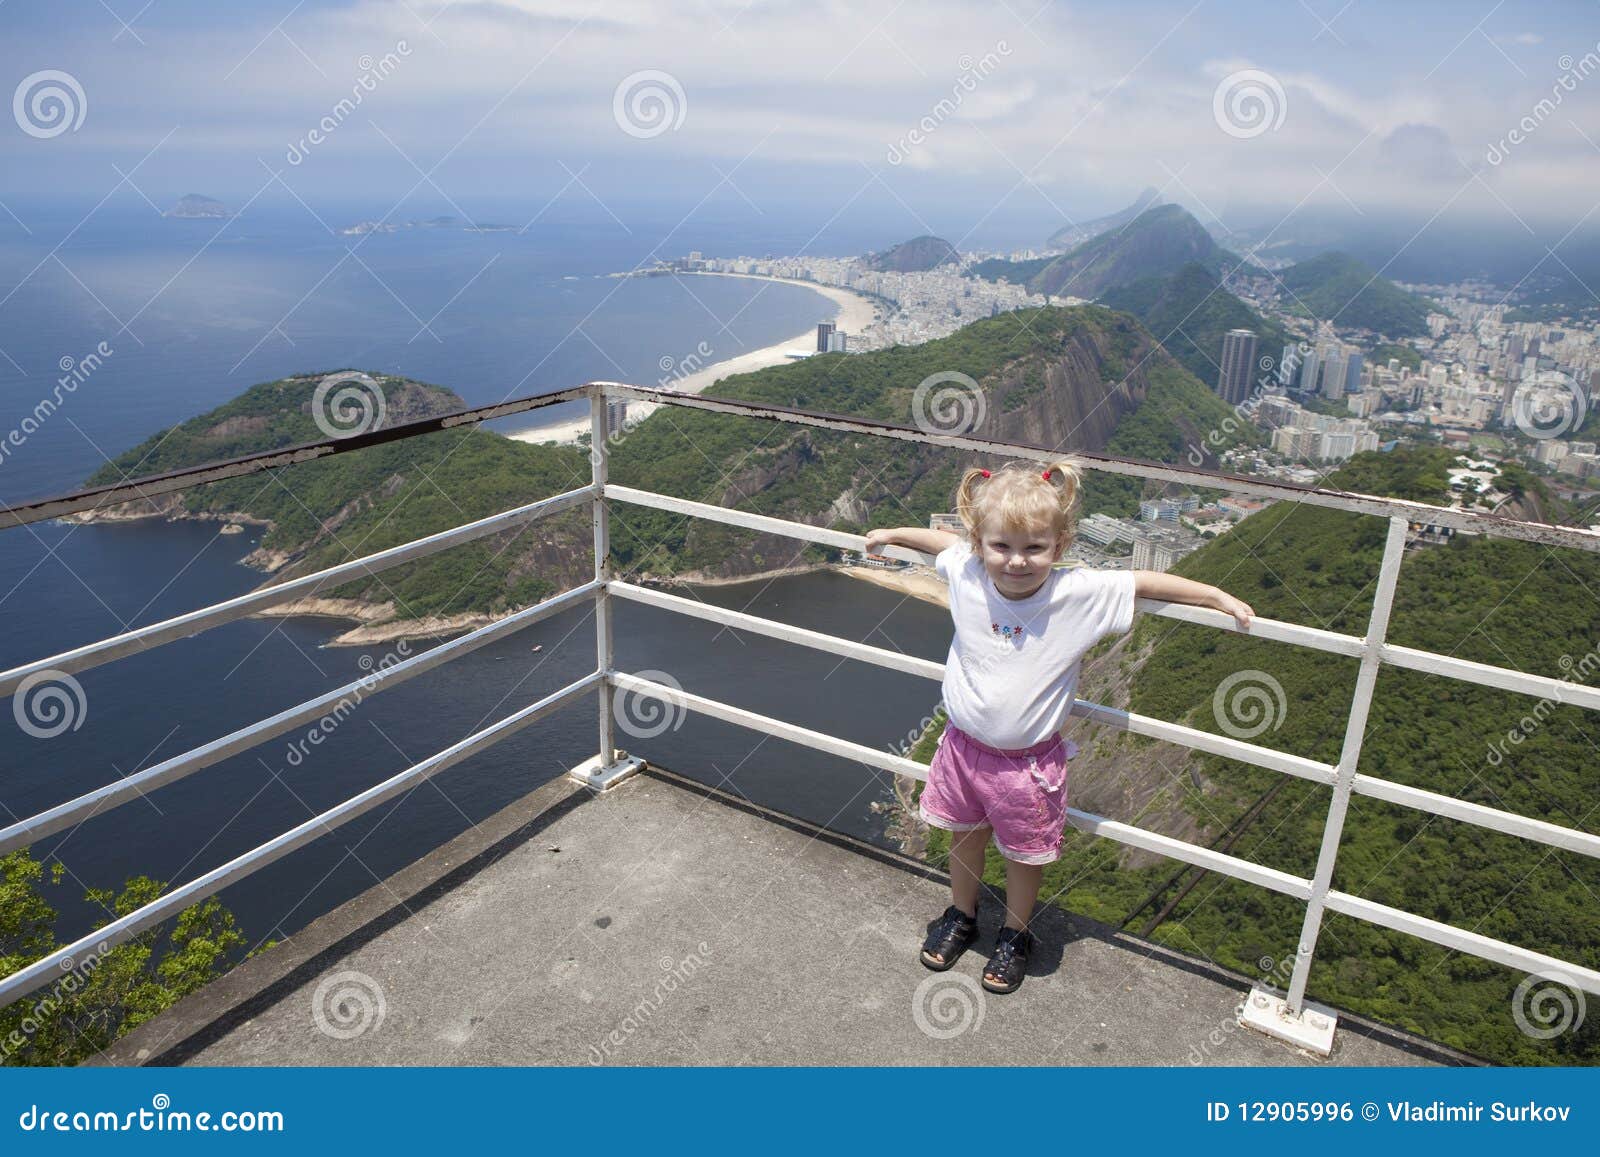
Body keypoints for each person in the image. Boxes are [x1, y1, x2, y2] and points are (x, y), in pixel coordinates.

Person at [863, 460, 1255, 994]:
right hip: (960, 748)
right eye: (1002, 546)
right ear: (980, 543)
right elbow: (939, 541)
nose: (1017, 561)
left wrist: (1215, 596)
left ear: (1060, 545)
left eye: (1034, 548)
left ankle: (1016, 934)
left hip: (1026, 766)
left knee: (1025, 856)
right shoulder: (967, 569)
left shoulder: (1079, 592)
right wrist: (890, 534)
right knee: (963, 839)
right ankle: (961, 914)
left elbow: (1143, 580)